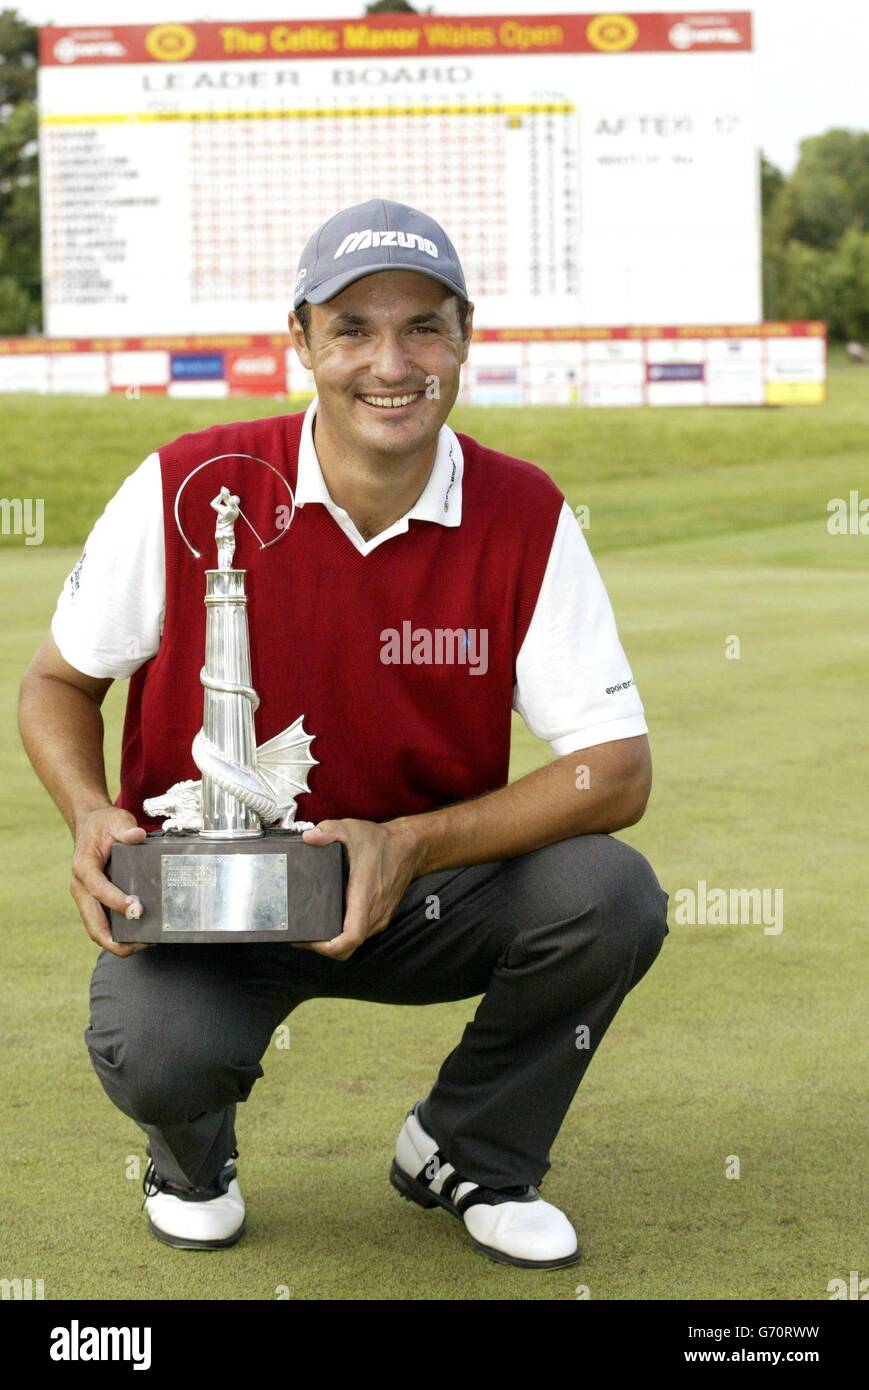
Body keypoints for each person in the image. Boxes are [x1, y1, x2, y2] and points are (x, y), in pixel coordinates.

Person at [18, 198, 669, 1271]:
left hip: (420, 891)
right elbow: (56, 682)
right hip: (210, 892)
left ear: (462, 339)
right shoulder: (188, 480)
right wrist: (91, 813)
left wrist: (406, 843)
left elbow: (615, 768)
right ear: (302, 343)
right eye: (353, 327)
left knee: (607, 894)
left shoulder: (524, 510)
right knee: (158, 1052)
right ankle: (190, 1160)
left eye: (423, 325)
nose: (390, 360)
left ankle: (468, 1150)